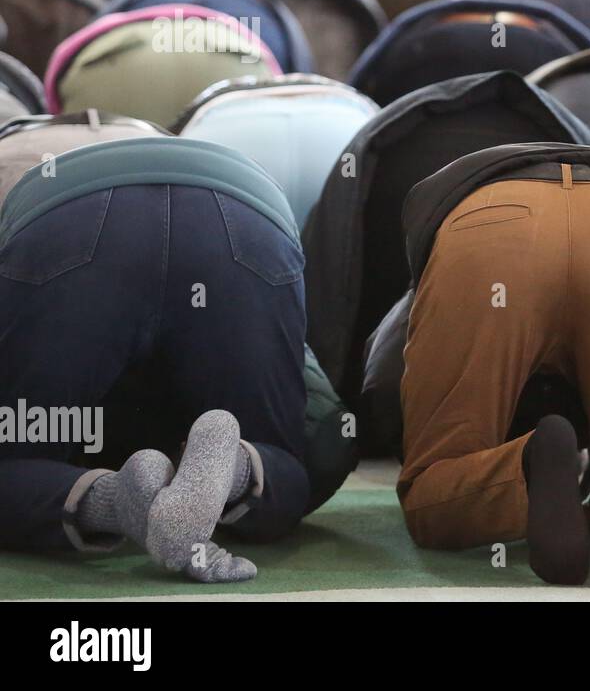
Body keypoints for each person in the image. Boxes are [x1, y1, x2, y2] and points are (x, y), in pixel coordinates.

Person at [0, 137, 356, 583]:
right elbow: (318, 414)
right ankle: (235, 468)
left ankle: (114, 499)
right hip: (245, 207)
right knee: (285, 457)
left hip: (62, 214)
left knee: (13, 460)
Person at [390, 143, 590, 585]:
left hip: (488, 225)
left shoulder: (453, 198)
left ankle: (527, 462)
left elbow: (381, 375)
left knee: (433, 483)